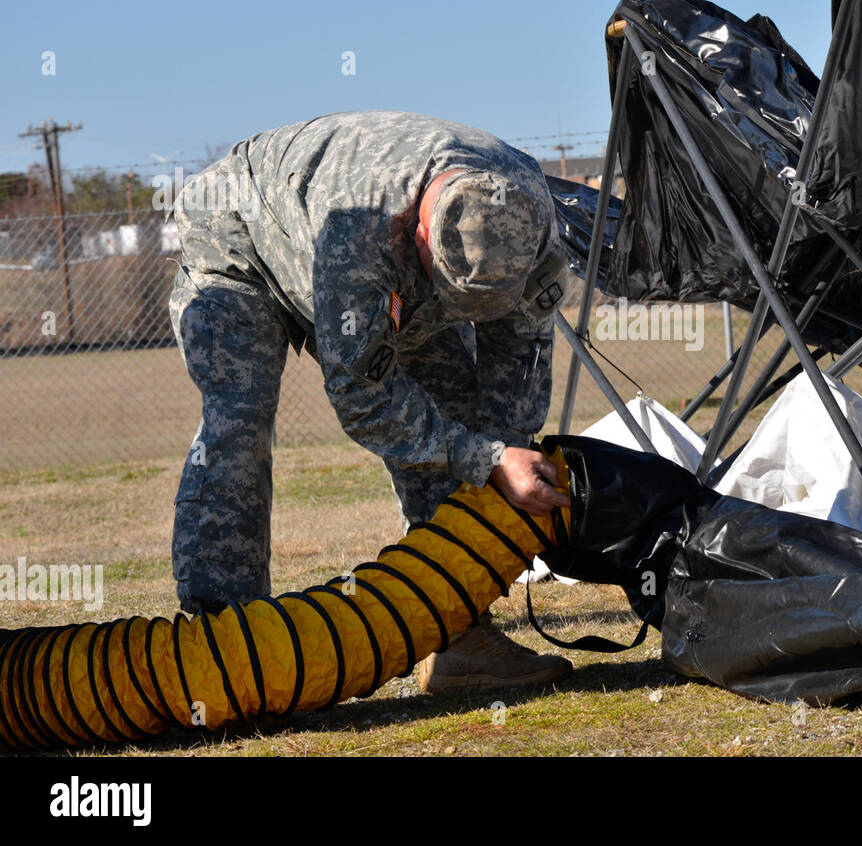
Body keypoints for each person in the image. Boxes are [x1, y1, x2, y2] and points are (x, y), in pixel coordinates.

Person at [166, 109, 573, 690]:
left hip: (374, 256)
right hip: (242, 237)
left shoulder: (527, 220)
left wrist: (506, 454)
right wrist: (484, 459)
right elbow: (363, 395)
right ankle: (219, 649)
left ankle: (455, 633)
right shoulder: (359, 230)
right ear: (424, 235)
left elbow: (521, 353)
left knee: (452, 404)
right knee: (240, 420)